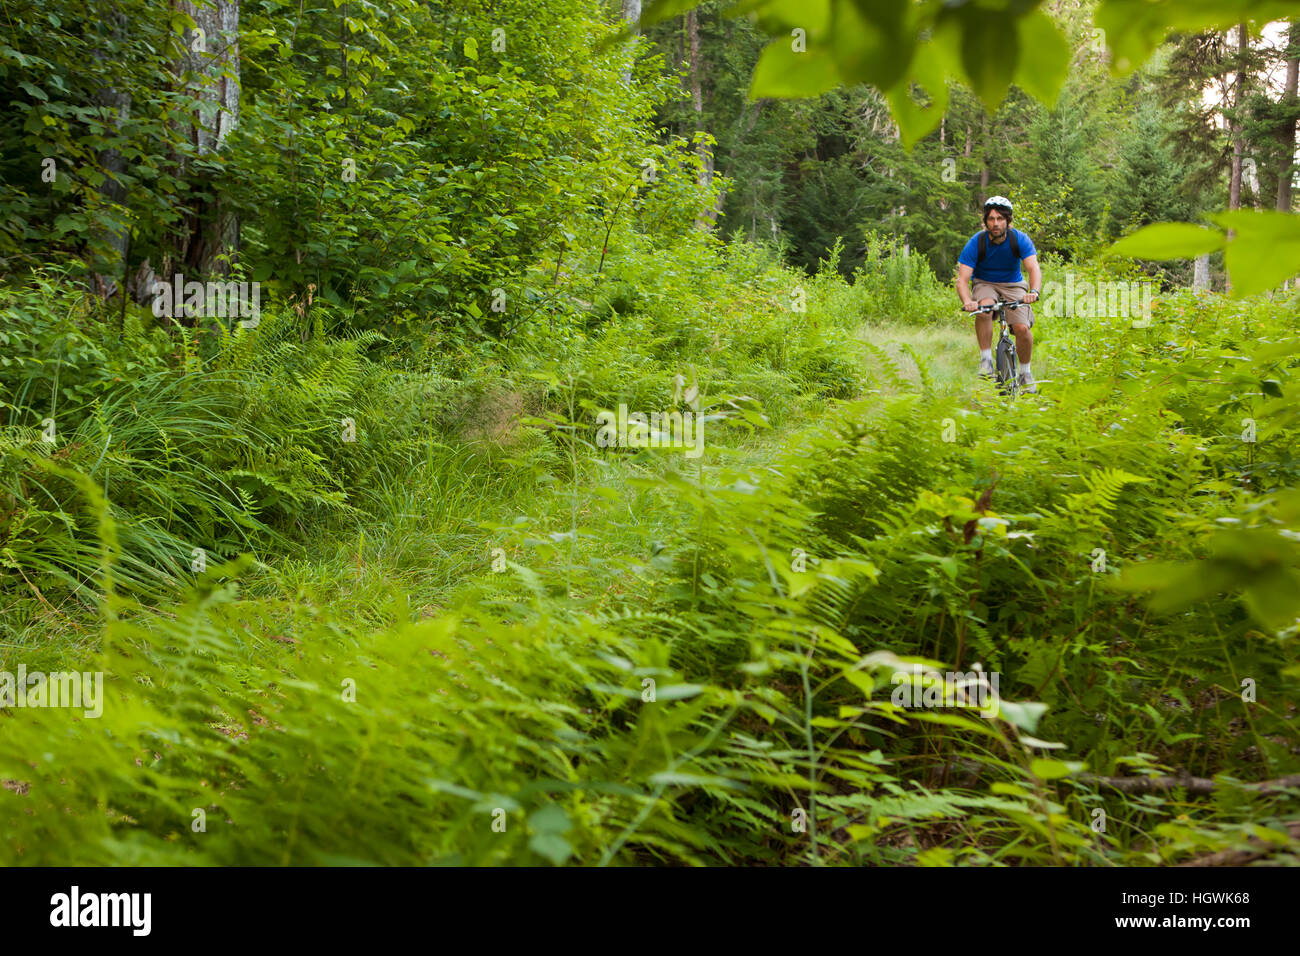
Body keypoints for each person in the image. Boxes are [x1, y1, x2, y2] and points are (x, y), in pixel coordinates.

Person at [955, 196, 1043, 393]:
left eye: (1000, 219)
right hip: (985, 283)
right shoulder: (976, 242)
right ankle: (986, 359)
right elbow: (962, 279)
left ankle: (1025, 373)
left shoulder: (1019, 239)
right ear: (986, 221)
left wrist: (1034, 291)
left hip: (1014, 285)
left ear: (1008, 220)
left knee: (1021, 328)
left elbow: (1033, 268)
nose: (995, 223)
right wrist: (968, 301)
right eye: (991, 219)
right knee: (984, 308)